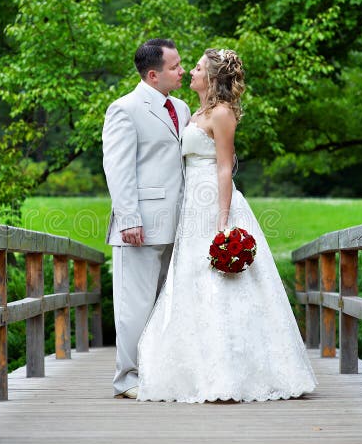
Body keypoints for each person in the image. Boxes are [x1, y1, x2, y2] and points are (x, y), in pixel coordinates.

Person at [137, 48, 317, 402]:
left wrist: (223, 220)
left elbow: (224, 166)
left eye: (198, 68)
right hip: (192, 204)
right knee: (191, 281)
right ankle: (198, 367)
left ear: (212, 78)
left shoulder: (221, 114)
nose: (190, 72)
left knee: (222, 284)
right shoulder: (195, 112)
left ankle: (234, 371)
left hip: (214, 203)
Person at [102, 38, 190, 399]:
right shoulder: (124, 109)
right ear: (153, 75)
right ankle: (128, 378)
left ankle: (158, 371)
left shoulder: (182, 108)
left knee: (167, 305)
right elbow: (118, 168)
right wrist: (128, 218)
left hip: (182, 224)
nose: (182, 71)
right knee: (134, 306)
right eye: (175, 67)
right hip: (139, 225)